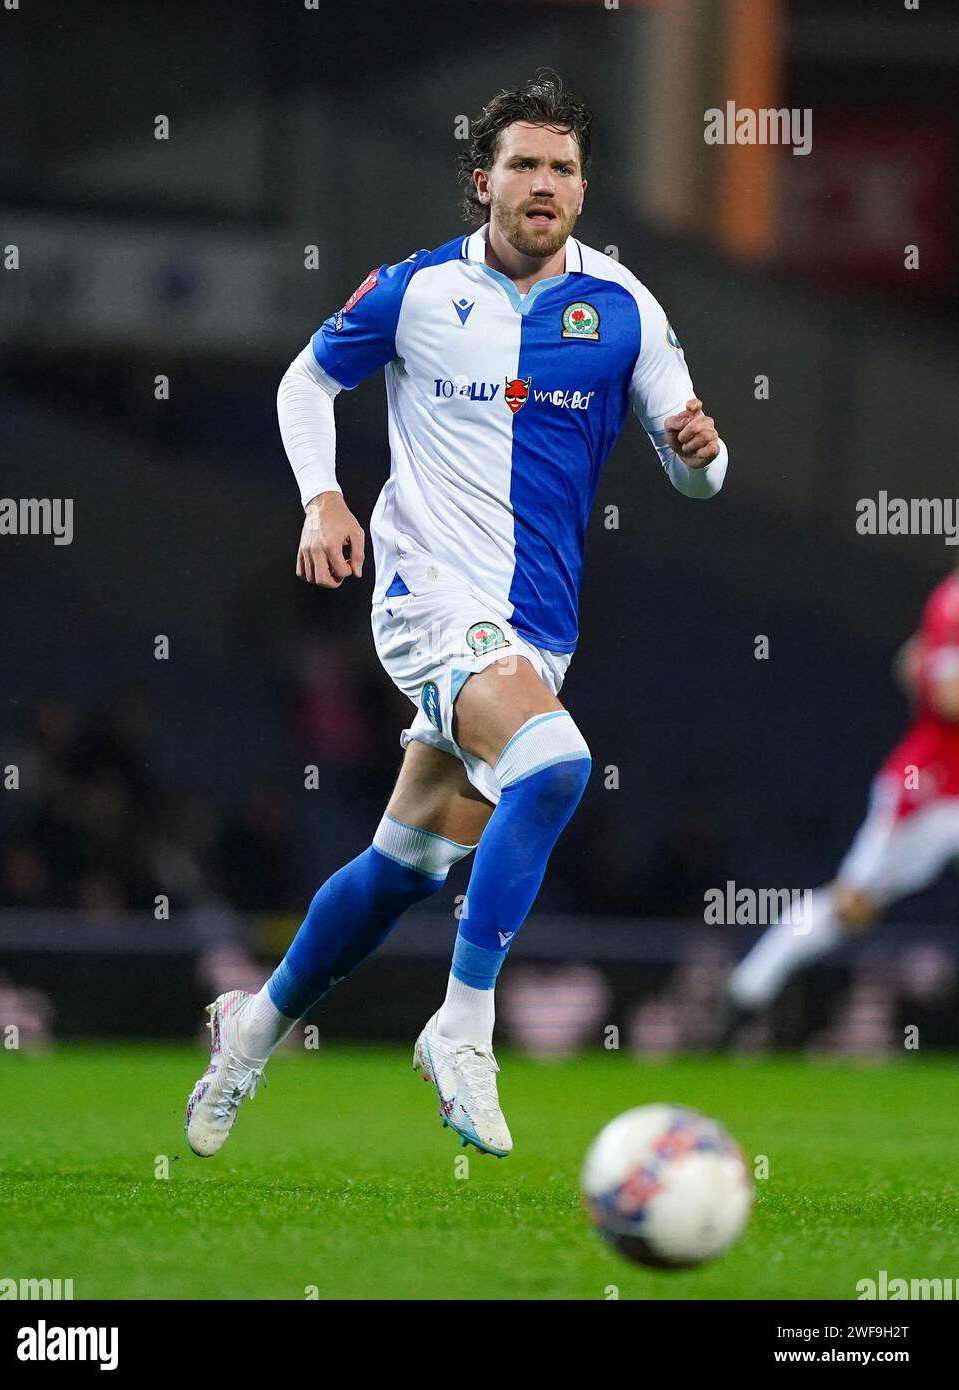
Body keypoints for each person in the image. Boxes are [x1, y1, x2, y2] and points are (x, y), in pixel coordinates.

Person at [186, 71, 728, 1158]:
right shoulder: (416, 290)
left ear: (581, 188)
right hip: (427, 598)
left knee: (403, 866)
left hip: (540, 627)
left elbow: (694, 474)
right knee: (554, 767)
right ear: (482, 181)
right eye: (522, 164)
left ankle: (252, 1028)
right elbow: (305, 382)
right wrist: (323, 497)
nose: (542, 183)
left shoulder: (624, 306)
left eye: (562, 168)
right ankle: (462, 1023)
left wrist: (703, 463)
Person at [722, 567, 959, 1040]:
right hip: (929, 786)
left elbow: (910, 662)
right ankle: (746, 995)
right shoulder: (952, 602)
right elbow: (947, 695)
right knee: (852, 903)